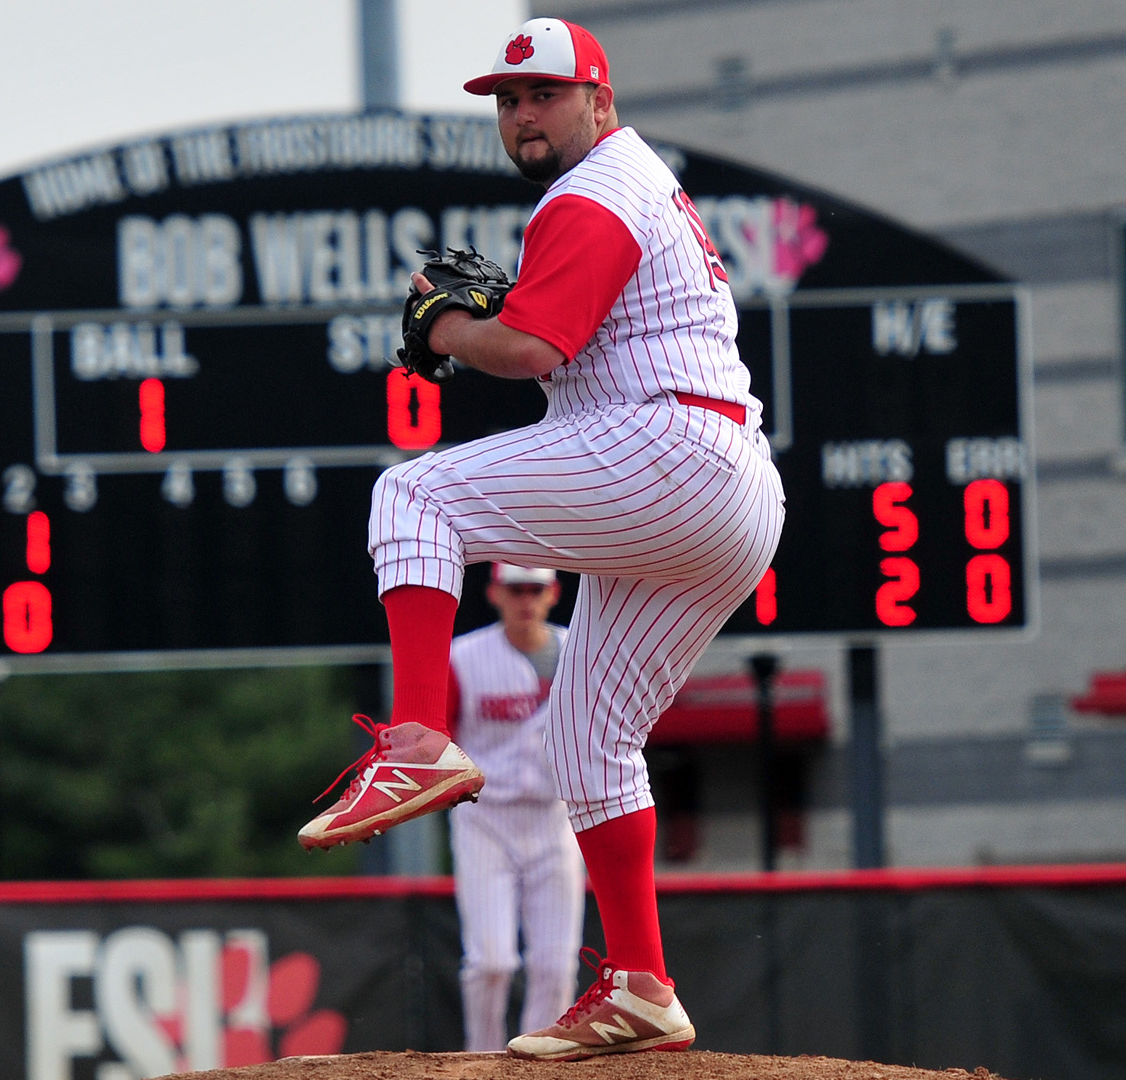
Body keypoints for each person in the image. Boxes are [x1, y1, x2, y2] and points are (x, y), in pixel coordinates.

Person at [300, 16, 785, 1061]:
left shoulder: (595, 190)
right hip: (729, 491)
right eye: (509, 100)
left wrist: (446, 328)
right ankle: (642, 987)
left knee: (411, 497)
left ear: (600, 101)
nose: (524, 114)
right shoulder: (635, 186)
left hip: (672, 452)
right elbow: (559, 337)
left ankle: (416, 743)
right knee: (590, 740)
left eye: (546, 95)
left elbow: (528, 350)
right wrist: (500, 313)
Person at [446, 563, 584, 1053]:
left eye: (534, 589)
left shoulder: (579, 652)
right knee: (491, 962)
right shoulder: (462, 657)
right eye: (515, 589)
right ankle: (482, 1058)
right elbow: (440, 735)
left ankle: (537, 1065)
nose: (525, 599)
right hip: (485, 818)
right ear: (495, 593)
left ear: (553, 593)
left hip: (554, 817)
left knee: (555, 964)